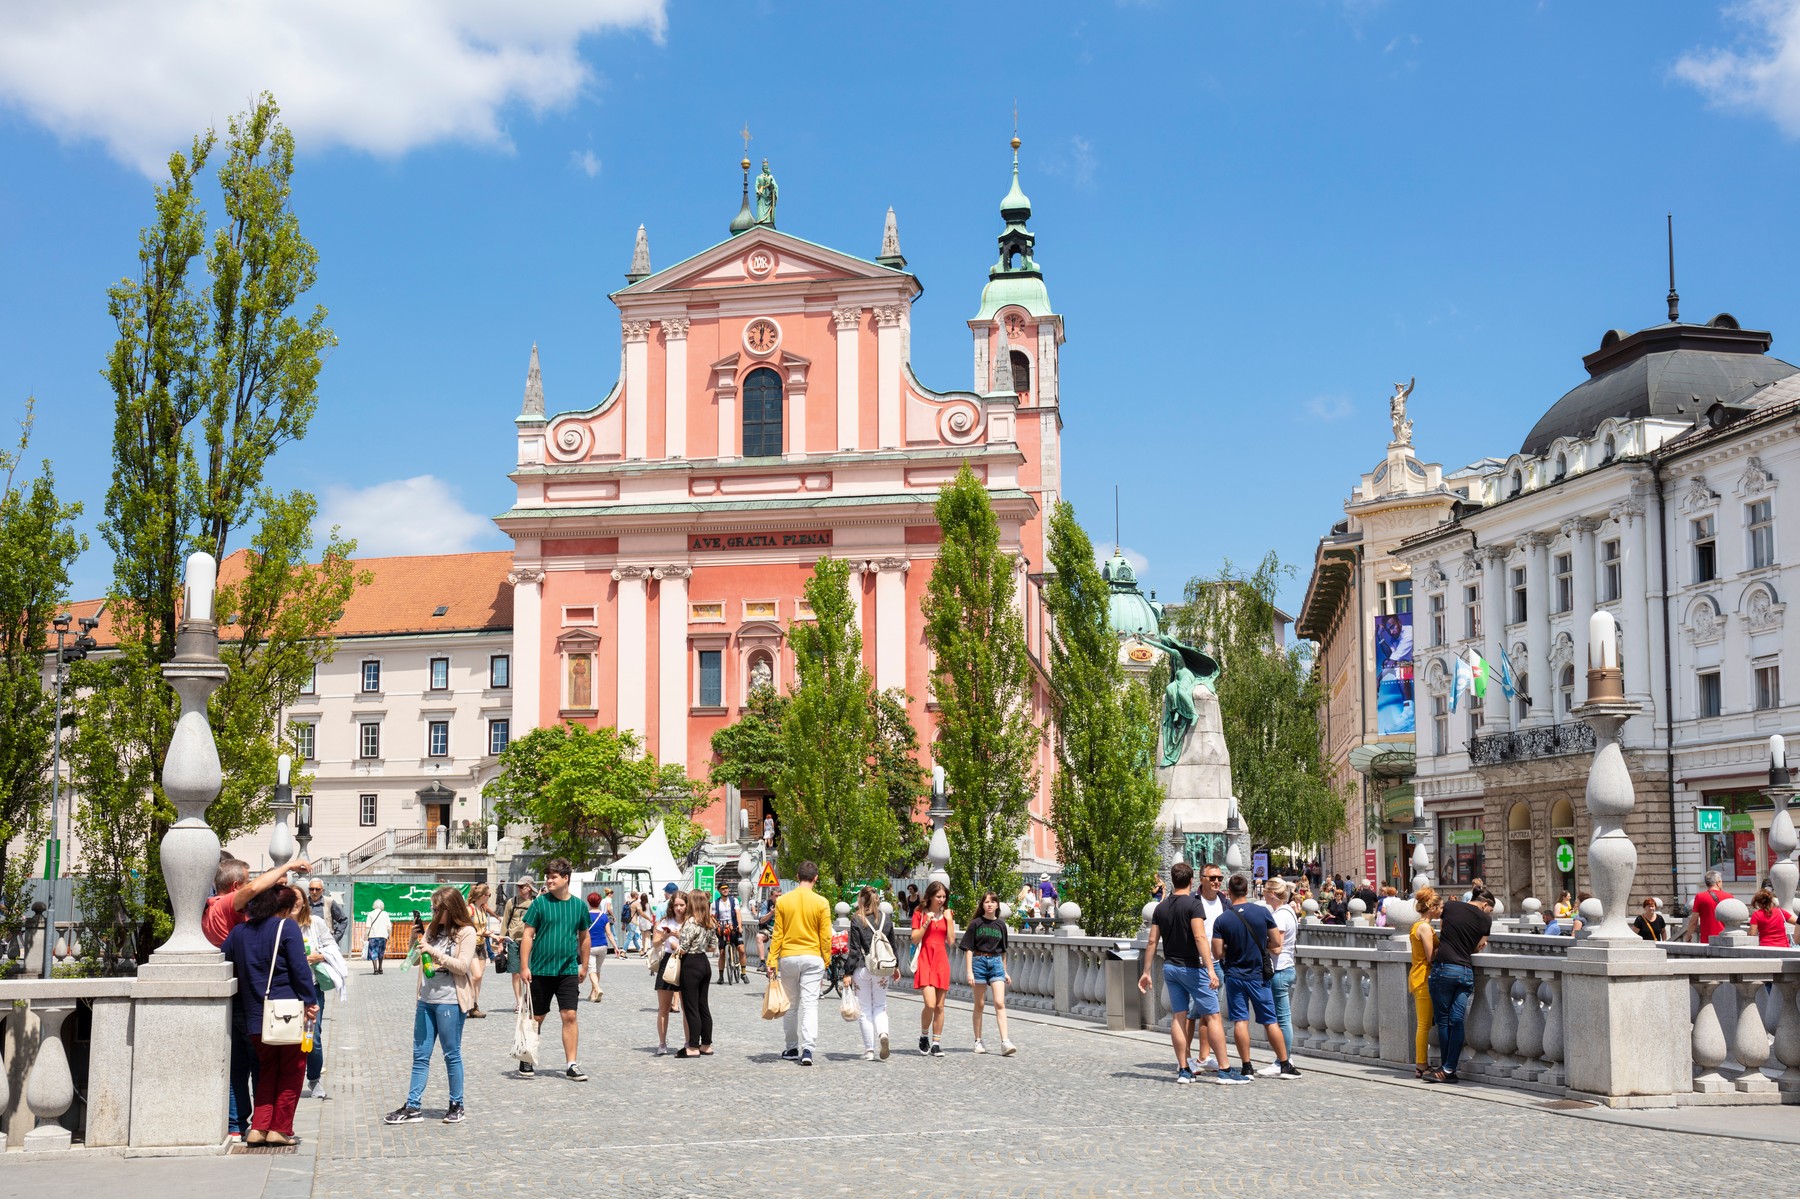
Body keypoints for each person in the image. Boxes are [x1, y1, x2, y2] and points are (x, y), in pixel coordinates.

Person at [207, 855, 310, 1138]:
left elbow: (224, 960)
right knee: (292, 1070)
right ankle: (280, 1129)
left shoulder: (238, 931)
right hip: (285, 1012)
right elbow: (301, 972)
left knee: (266, 1070)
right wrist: (311, 1003)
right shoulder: (286, 927)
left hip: (252, 1013)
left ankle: (258, 1127)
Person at [384, 886, 479, 1124]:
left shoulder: (466, 932)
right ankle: (413, 1106)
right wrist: (413, 939)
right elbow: (415, 961)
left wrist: (435, 953)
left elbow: (463, 966)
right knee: (420, 1055)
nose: (433, 913)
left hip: (450, 1001)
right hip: (426, 1000)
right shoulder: (432, 930)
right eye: (432, 909)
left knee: (451, 1054)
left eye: (437, 909)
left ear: (450, 909)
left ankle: (457, 1104)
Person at [1139, 862, 1232, 1084]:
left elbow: (1152, 941)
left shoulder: (1161, 907)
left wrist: (1146, 971)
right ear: (1192, 880)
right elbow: (1200, 938)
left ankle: (1183, 1069)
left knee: (1179, 1017)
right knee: (1213, 1016)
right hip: (1193, 967)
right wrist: (1211, 969)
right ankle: (1225, 1071)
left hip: (1171, 967)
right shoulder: (1193, 905)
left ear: (1172, 881)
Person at [1212, 875, 1298, 1081]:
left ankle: (1246, 1066)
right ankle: (1285, 1064)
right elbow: (1276, 942)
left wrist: (1232, 947)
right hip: (1258, 975)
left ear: (1229, 892)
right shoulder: (1262, 912)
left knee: (1240, 1021)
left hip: (1234, 975)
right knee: (1270, 1020)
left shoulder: (1222, 919)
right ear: (1248, 890)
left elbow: (1217, 953)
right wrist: (1257, 943)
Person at [516, 860, 590, 1082]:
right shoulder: (539, 903)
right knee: (536, 1017)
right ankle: (527, 1057)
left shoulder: (579, 906)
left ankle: (571, 1064)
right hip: (540, 970)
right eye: (547, 877)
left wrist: (585, 966)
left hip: (567, 970)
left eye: (553, 877)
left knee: (570, 1015)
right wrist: (524, 966)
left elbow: (584, 937)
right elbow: (527, 935)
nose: (548, 880)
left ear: (566, 878)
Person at [1425, 886, 1494, 1085]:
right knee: (1456, 1021)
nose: (1489, 913)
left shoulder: (1451, 906)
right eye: (1490, 910)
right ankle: (1449, 1069)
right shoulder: (1486, 920)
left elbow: (1443, 931)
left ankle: (1445, 1068)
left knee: (1443, 1020)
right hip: (1465, 972)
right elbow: (1478, 947)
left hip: (1445, 968)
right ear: (1485, 905)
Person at [767, 860, 833, 1066]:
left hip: (789, 956)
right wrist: (827, 959)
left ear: (797, 877)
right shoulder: (821, 902)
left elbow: (777, 934)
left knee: (791, 1005)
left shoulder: (783, 901)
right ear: (816, 878)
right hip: (813, 956)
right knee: (810, 1005)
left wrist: (772, 959)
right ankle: (808, 1049)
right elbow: (826, 936)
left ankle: (791, 1047)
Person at [293, 897, 348, 1100]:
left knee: (312, 1036)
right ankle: (291, 1080)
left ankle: (314, 1078)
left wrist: (321, 955)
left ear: (304, 903)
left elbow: (332, 946)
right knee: (288, 1036)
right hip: (287, 991)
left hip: (312, 989)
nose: (294, 903)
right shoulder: (279, 924)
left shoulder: (315, 923)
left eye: (298, 899)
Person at [846, 887, 899, 1061]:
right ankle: (883, 1034)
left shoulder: (857, 919)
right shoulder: (886, 919)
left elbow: (854, 950)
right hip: (882, 968)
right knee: (880, 1006)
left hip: (863, 968)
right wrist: (896, 966)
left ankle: (869, 1050)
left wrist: (847, 972)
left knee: (865, 1010)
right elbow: (892, 945)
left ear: (861, 900)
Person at [961, 891, 1017, 1056]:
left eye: (992, 902)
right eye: (986, 902)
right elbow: (968, 949)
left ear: (997, 905)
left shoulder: (1001, 925)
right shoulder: (976, 924)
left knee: (999, 1003)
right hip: (979, 962)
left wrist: (1005, 971)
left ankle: (1005, 1041)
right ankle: (978, 1040)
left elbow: (1003, 951)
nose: (990, 904)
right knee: (979, 1004)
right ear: (982, 905)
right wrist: (969, 972)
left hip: (996, 963)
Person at [910, 880, 955, 1057]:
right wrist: (926, 922)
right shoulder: (919, 913)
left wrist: (949, 921)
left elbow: (951, 941)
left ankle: (936, 1043)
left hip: (941, 961)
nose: (941, 900)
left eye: (944, 896)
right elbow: (914, 938)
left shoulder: (947, 914)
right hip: (925, 959)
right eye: (938, 896)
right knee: (930, 1004)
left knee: (940, 1006)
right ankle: (924, 1035)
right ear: (930, 896)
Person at [675, 888, 719, 1057]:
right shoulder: (709, 922)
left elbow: (684, 947)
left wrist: (676, 942)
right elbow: (712, 946)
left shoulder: (691, 922)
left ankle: (693, 1046)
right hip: (704, 963)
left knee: (691, 1006)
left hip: (691, 964)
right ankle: (706, 1044)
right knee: (703, 1006)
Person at [1261, 877, 1300, 1058]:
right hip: (1287, 966)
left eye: (1264, 891)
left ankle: (1284, 1060)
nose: (1263, 894)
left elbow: (1277, 947)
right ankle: (1284, 1059)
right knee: (1282, 1017)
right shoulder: (1289, 911)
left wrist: (1259, 942)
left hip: (1280, 969)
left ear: (1271, 893)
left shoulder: (1279, 916)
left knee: (1282, 1018)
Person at [1407, 885, 1441, 1079]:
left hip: (1417, 975)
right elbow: (1431, 956)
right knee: (1424, 1025)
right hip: (1423, 977)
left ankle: (1422, 1064)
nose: (1441, 910)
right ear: (1432, 908)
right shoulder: (1425, 928)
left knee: (1423, 1023)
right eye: (1440, 907)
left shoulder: (1416, 925)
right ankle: (1421, 1065)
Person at [651, 891, 689, 1055]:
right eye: (676, 905)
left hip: (686, 961)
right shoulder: (665, 921)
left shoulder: (690, 922)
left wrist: (679, 936)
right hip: (668, 960)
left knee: (687, 1007)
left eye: (682, 905)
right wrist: (665, 937)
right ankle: (662, 1043)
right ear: (671, 906)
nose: (679, 908)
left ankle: (688, 1042)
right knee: (663, 1007)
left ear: (687, 905)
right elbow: (655, 943)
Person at [501, 878, 537, 1010]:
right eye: (518, 886)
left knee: (531, 972)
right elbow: (505, 922)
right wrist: (501, 941)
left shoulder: (536, 902)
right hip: (514, 940)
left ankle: (529, 997)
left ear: (529, 888)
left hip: (532, 941)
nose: (519, 889)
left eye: (522, 886)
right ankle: (519, 1001)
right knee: (515, 972)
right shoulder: (512, 902)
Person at [1682, 870, 1731, 943]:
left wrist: (1688, 935)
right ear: (1718, 883)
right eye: (1721, 882)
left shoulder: (1700, 897)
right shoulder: (1729, 897)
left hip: (1707, 939)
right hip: (1726, 938)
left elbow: (1694, 921)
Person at [585, 891, 616, 1002]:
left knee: (592, 970)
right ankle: (593, 994)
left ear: (589, 902)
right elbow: (609, 933)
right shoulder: (603, 916)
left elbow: (581, 932)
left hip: (590, 946)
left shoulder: (586, 915)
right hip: (603, 946)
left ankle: (597, 988)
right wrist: (616, 947)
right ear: (599, 902)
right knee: (597, 970)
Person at [466, 883, 491, 1017]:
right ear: (482, 896)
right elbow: (464, 929)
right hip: (471, 945)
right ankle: (465, 1002)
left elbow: (483, 928)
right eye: (489, 895)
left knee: (479, 978)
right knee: (477, 975)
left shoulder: (482, 909)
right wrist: (480, 933)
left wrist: (494, 936)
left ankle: (474, 1006)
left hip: (482, 945)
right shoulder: (469, 910)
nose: (489, 897)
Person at [713, 883, 746, 983]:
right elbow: (712, 917)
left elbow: (738, 914)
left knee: (741, 950)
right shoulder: (715, 903)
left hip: (734, 927)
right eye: (723, 889)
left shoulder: (734, 900)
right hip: (722, 929)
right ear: (719, 890)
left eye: (726, 888)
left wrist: (739, 926)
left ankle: (743, 973)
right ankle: (721, 976)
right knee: (722, 953)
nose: (725, 890)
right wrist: (716, 924)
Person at [307, 878, 349, 948]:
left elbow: (343, 920)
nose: (314, 892)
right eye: (311, 889)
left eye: (317, 889)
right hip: (308, 942)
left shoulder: (329, 902)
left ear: (323, 890)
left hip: (326, 944)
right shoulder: (303, 903)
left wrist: (335, 938)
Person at [365, 899, 393, 975]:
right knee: (381, 952)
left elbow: (368, 927)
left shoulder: (370, 914)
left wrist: (366, 935)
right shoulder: (385, 914)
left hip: (373, 936)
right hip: (383, 936)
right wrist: (389, 935)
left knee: (373, 952)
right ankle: (380, 968)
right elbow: (389, 926)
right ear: (382, 906)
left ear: (374, 905)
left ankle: (375, 969)